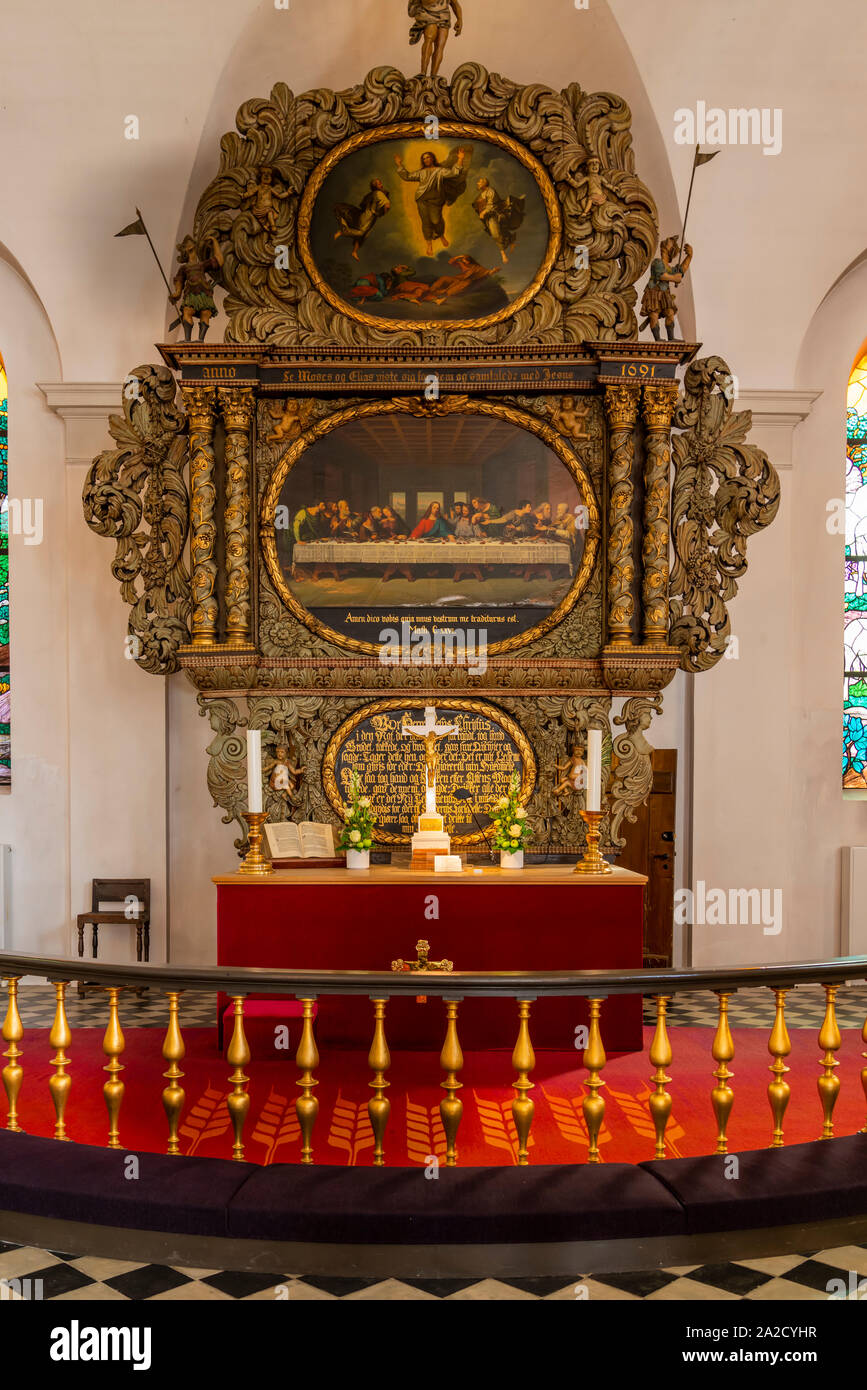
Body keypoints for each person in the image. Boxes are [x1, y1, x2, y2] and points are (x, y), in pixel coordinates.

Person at [394, 146, 471, 255]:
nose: (426, 160)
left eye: (428, 157)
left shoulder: (440, 171)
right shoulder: (421, 172)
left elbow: (454, 173)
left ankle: (441, 235)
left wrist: (460, 159)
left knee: (436, 220)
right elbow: (407, 176)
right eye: (424, 158)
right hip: (422, 200)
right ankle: (429, 245)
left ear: (432, 159)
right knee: (426, 222)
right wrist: (399, 164)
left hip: (436, 200)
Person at [333, 179, 391, 260]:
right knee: (361, 233)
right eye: (378, 184)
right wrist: (384, 211)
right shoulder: (379, 193)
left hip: (370, 216)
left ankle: (354, 252)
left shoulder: (372, 194)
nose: (381, 184)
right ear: (375, 186)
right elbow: (387, 206)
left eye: (380, 182)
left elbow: (363, 205)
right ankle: (343, 232)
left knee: (363, 236)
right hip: (368, 216)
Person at [407, 0, 463, 80]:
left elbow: (455, 4)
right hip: (428, 14)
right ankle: (423, 72)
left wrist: (460, 19)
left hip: (444, 16)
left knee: (440, 46)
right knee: (429, 38)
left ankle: (433, 75)